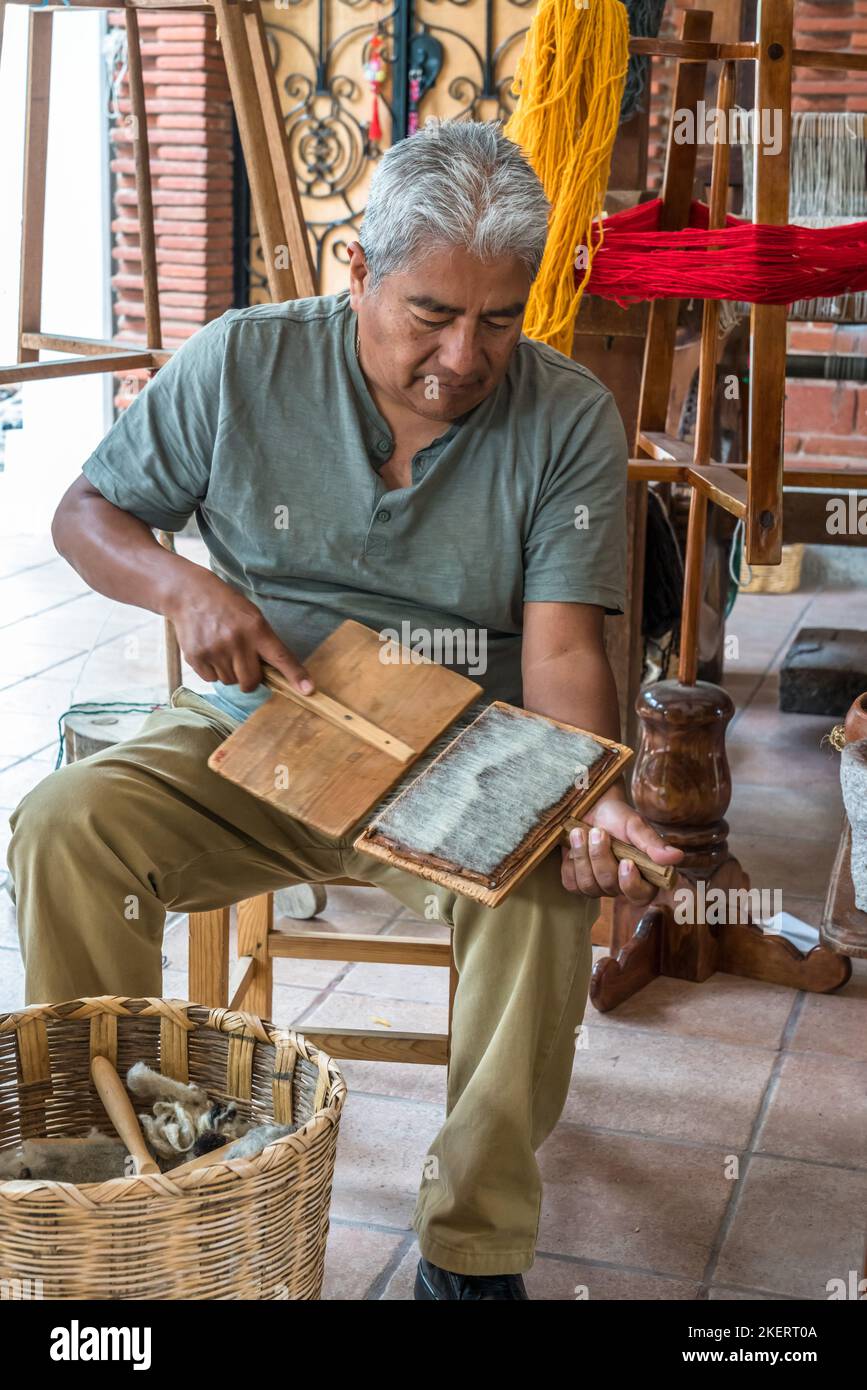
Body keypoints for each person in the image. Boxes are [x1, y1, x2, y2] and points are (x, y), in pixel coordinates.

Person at [8, 120, 682, 1300]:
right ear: (357, 268)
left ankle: (472, 1247)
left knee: (544, 888)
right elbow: (85, 516)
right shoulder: (241, 363)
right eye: (431, 313)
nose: (466, 356)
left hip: (466, 762)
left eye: (500, 318)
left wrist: (588, 791)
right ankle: (112, 1179)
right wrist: (184, 584)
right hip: (250, 732)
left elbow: (566, 644)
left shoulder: (567, 415)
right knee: (68, 821)